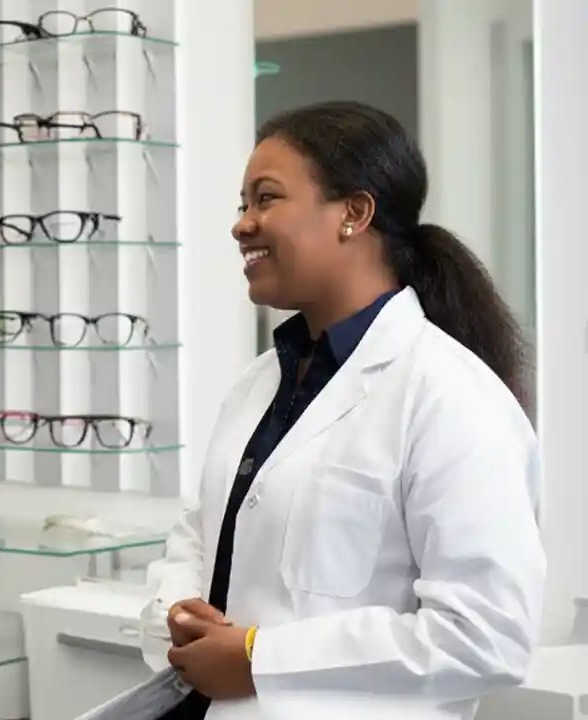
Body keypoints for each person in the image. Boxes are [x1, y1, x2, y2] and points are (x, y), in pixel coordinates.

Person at [140, 101, 545, 720]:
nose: (242, 225)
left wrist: (259, 657)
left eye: (266, 199)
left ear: (354, 213)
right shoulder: (259, 382)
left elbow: (485, 635)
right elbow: (201, 531)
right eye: (241, 204)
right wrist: (177, 608)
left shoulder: (451, 396)